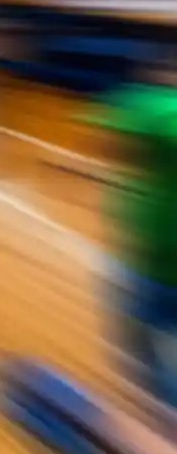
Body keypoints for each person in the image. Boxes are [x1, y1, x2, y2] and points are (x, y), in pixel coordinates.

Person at [86, 70, 177, 410]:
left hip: (152, 266)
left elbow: (111, 133)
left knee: (138, 344)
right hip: (151, 261)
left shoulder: (153, 106)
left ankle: (165, 412)